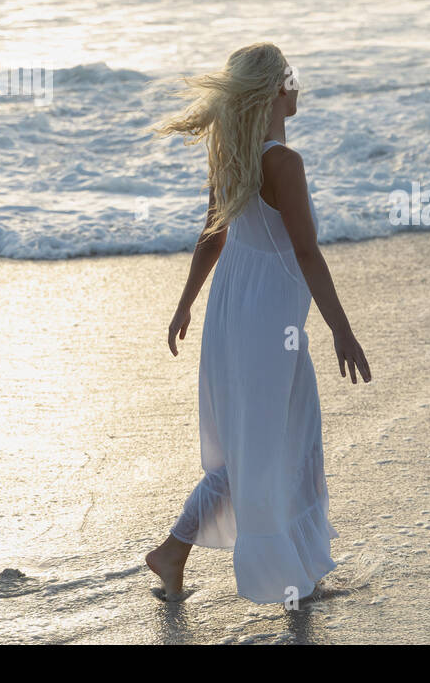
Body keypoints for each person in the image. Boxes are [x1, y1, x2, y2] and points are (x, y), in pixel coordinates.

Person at [145, 41, 370, 604]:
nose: (297, 85)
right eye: (291, 75)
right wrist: (342, 328)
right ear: (274, 89)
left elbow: (211, 236)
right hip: (268, 323)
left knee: (260, 445)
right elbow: (307, 253)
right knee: (277, 444)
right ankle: (273, 569)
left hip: (234, 314)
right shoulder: (282, 162)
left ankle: (181, 553)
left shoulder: (234, 155)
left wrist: (187, 302)